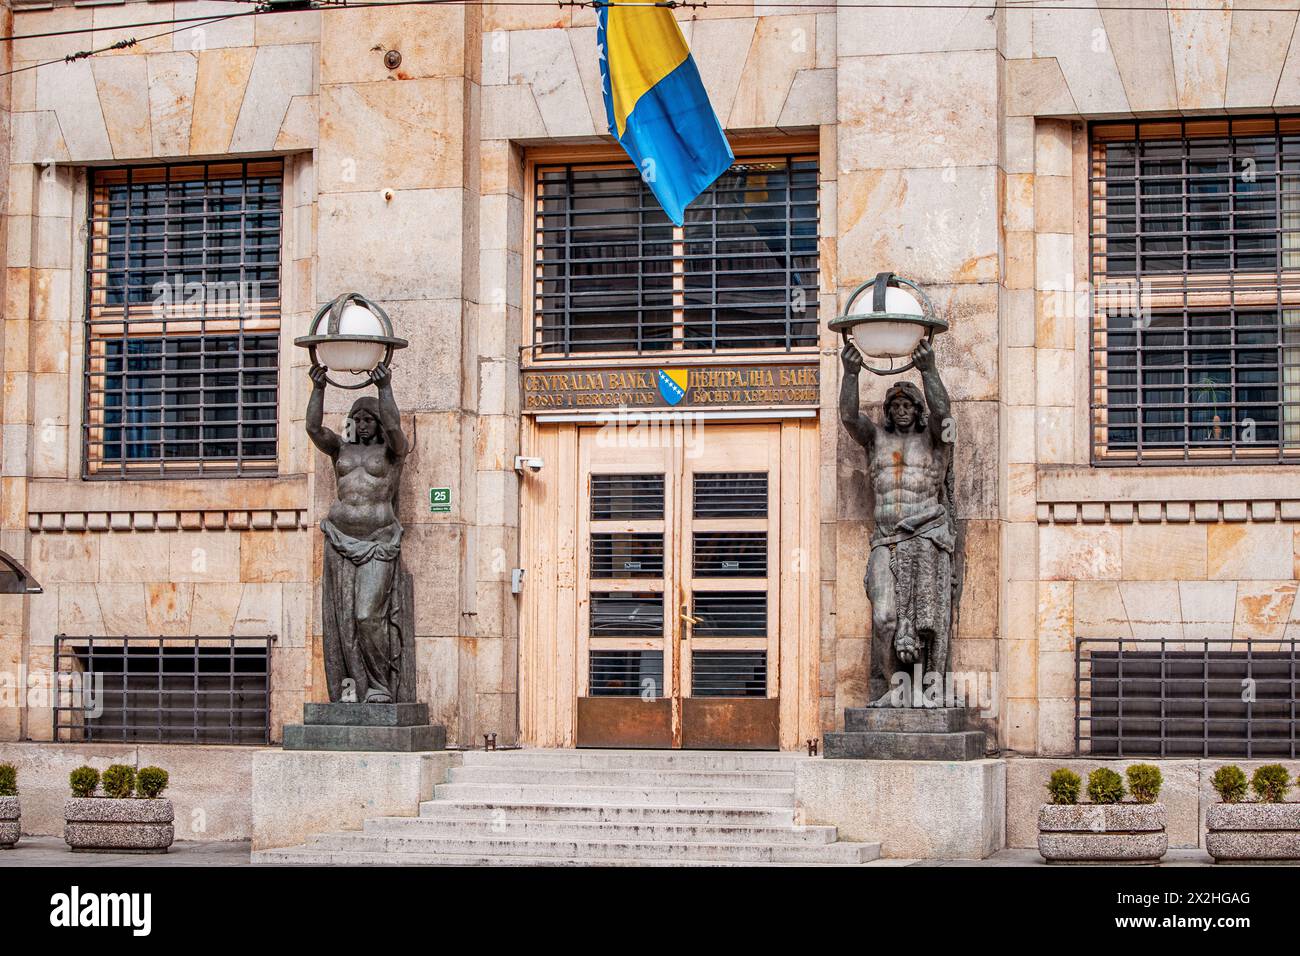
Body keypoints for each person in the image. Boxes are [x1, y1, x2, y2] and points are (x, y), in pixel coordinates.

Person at [839, 339, 960, 706]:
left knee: (927, 623)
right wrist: (851, 373)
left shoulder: (936, 441)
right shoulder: (876, 439)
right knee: (885, 618)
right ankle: (893, 688)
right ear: (889, 411)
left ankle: (925, 690)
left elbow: (945, 414)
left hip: (927, 538)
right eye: (896, 405)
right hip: (885, 540)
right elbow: (848, 417)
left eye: (909, 404)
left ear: (918, 409)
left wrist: (929, 369)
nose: (903, 410)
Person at [306, 361, 412, 704]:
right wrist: (319, 388)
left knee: (367, 615)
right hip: (339, 539)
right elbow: (312, 428)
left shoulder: (392, 451)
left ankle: (381, 686)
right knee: (344, 623)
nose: (364, 424)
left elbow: (396, 428)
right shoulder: (341, 449)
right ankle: (351, 688)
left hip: (379, 543)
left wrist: (385, 388)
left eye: (370, 418)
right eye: (359, 419)